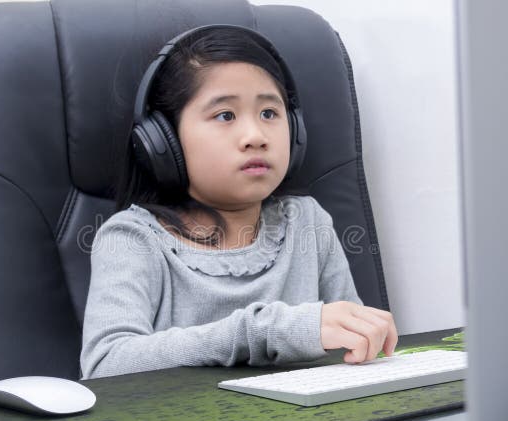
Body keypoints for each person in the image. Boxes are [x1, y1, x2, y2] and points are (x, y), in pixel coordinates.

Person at [80, 25, 397, 379]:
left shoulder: (308, 222)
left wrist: (365, 337)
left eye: (269, 114)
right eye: (225, 116)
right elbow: (105, 364)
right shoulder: (132, 239)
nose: (256, 136)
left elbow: (351, 346)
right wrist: (263, 331)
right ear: (163, 140)